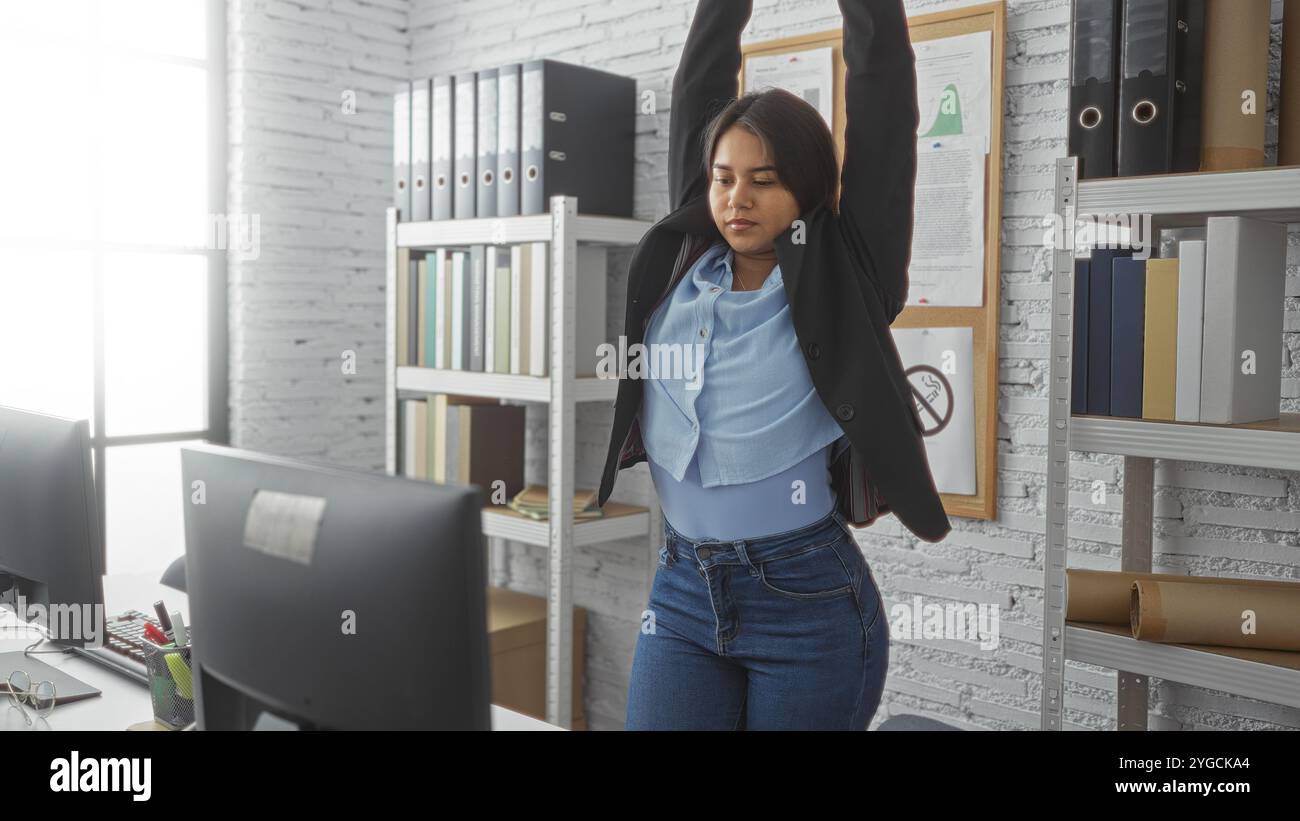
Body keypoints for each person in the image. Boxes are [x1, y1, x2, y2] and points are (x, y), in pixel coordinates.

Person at [604, 0, 951, 730]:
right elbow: (700, 78)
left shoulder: (847, 268)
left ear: (807, 187)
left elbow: (885, 102)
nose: (737, 198)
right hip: (682, 590)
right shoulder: (685, 256)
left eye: (763, 179)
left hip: (806, 602)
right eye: (724, 178)